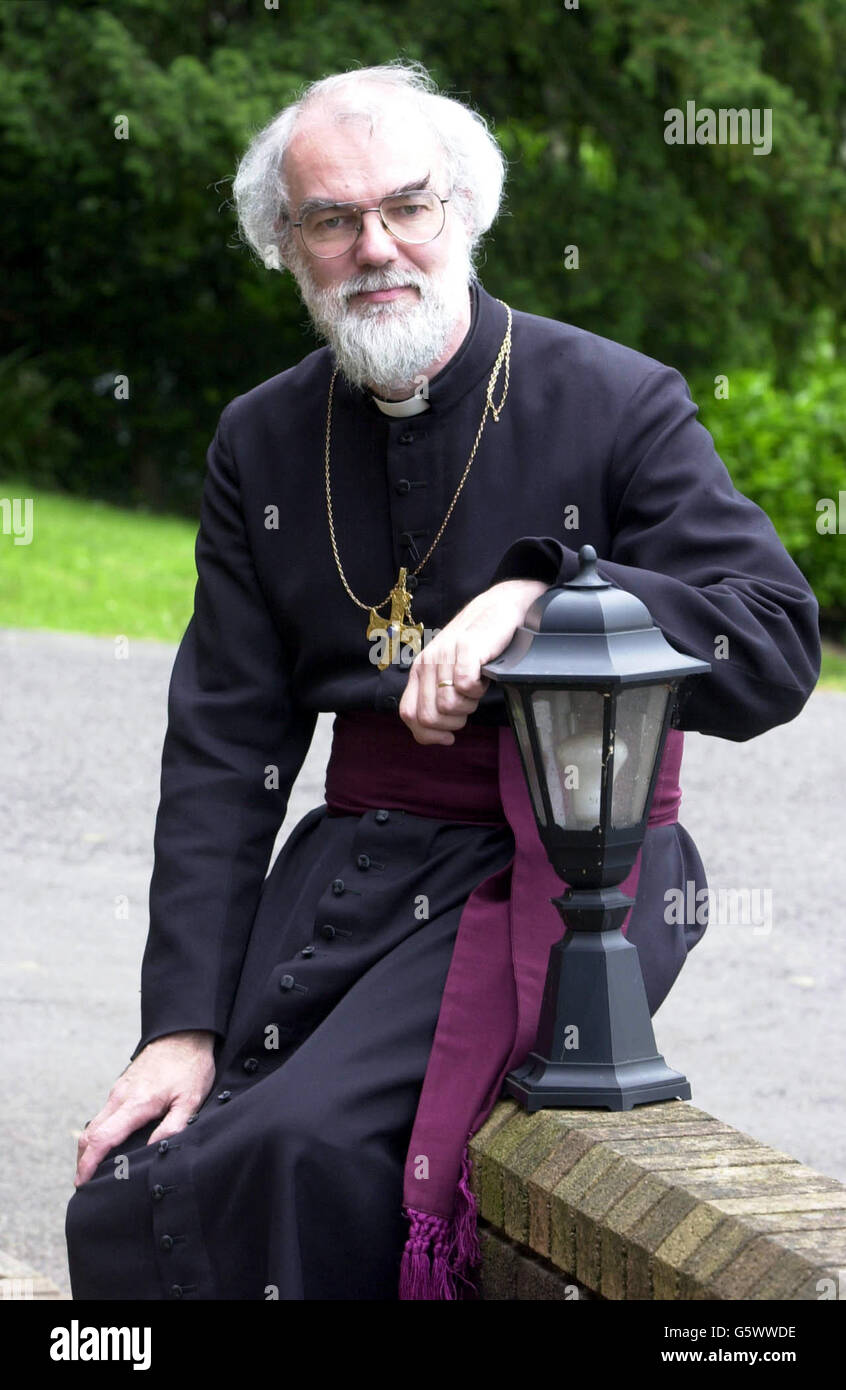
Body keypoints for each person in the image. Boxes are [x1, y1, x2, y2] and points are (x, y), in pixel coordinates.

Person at [65, 59, 820, 1302]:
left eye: (406, 205)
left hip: (570, 871)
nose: (377, 246)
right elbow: (223, 748)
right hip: (356, 864)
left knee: (306, 1150)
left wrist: (555, 598)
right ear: (286, 248)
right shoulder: (260, 438)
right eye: (332, 219)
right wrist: (178, 1024)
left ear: (464, 208)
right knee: (151, 1166)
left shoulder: (617, 400)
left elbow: (777, 641)